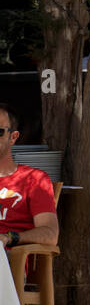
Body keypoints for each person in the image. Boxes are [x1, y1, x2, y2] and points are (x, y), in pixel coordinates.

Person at [0, 103, 59, 251]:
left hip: (7, 262)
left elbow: (50, 234)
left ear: (13, 137)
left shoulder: (34, 179)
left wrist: (9, 237)